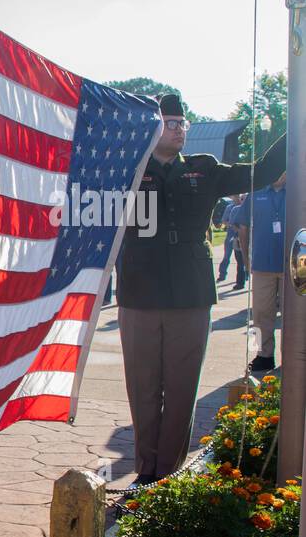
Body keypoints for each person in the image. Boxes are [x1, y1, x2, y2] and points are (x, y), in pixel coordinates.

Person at [117, 93, 286, 483]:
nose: (179, 130)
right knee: (143, 389)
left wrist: (297, 124)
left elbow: (261, 171)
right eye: (171, 123)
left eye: (183, 124)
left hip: (190, 296)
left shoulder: (204, 169)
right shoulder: (127, 168)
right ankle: (145, 472)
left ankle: (166, 476)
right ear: (152, 127)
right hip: (139, 293)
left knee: (180, 391)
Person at [233, 172, 288, 372]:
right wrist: (247, 260)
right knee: (259, 315)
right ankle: (260, 354)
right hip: (263, 264)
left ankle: (292, 356)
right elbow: (243, 229)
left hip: (292, 267)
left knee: (294, 316)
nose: (280, 174)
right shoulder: (254, 194)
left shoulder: (299, 191)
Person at [217, 195, 249, 289]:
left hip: (245, 237)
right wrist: (238, 229)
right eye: (239, 197)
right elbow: (226, 221)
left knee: (244, 259)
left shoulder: (249, 209)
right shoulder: (232, 208)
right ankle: (222, 274)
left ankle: (244, 277)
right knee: (227, 256)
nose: (240, 199)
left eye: (243, 198)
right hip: (232, 236)